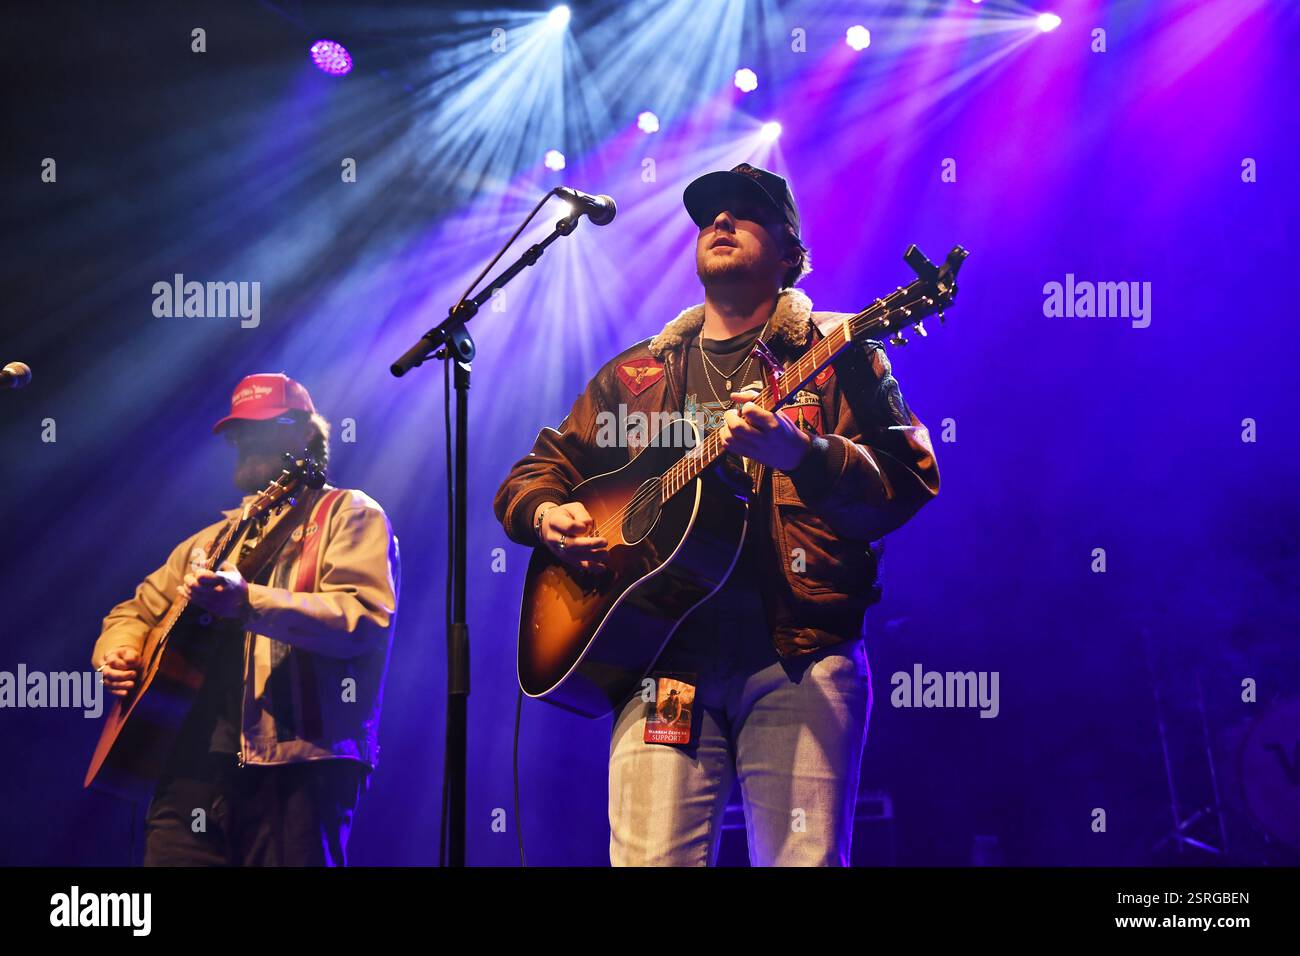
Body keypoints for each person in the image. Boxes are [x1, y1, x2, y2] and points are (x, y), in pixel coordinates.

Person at [493, 163, 940, 865]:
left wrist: (805, 454)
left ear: (792, 255)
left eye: (745, 212)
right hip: (662, 661)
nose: (720, 222)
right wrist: (546, 511)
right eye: (709, 214)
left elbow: (905, 483)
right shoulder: (636, 373)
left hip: (797, 657)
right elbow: (538, 471)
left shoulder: (844, 351)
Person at [91, 372, 400, 866]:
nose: (244, 442)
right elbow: (133, 611)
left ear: (304, 434)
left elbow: (362, 619)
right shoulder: (208, 540)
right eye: (239, 432)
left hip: (297, 771)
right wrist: (119, 652)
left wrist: (246, 602)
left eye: (262, 427)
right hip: (187, 770)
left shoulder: (349, 513)